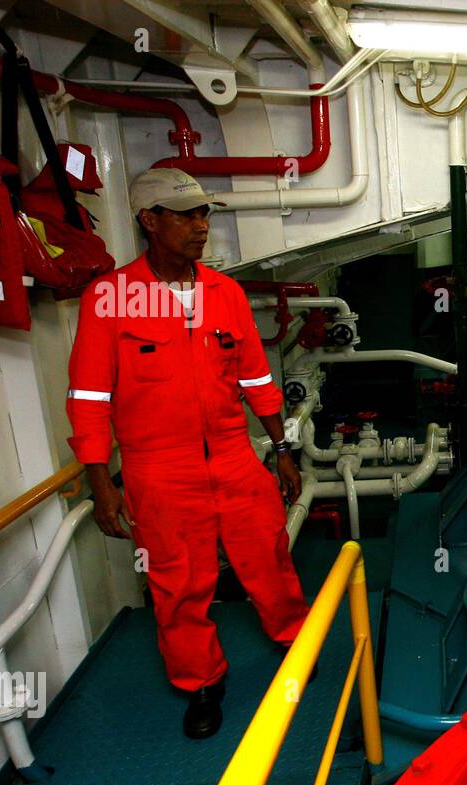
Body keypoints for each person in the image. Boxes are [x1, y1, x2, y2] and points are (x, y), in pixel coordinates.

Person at [65, 168, 311, 739]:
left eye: (205, 214)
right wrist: (101, 484)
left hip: (231, 452)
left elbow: (255, 379)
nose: (201, 226)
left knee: (269, 554)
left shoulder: (224, 295)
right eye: (186, 215)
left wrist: (281, 449)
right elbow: (88, 397)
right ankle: (199, 683)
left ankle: (294, 640)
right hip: (158, 467)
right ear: (149, 221)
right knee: (178, 583)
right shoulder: (109, 298)